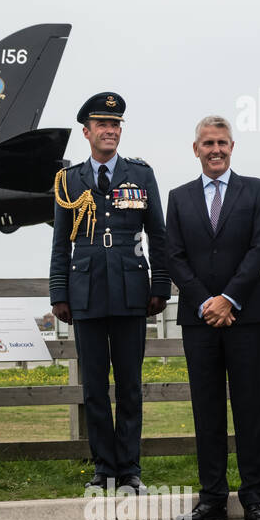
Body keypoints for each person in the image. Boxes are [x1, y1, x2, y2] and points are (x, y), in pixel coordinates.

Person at [49, 92, 169, 494]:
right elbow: (60, 242)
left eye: (115, 124)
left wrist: (160, 285)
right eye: (102, 124)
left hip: (132, 290)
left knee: (131, 385)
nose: (110, 130)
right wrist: (58, 293)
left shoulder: (141, 174)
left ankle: (130, 469)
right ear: (86, 132)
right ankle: (104, 468)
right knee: (95, 387)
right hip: (85, 293)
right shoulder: (68, 180)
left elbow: (158, 234)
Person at [166, 116, 260, 520]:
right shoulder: (179, 197)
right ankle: (212, 496)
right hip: (199, 321)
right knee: (206, 410)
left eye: (223, 143)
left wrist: (229, 299)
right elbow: (173, 255)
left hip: (245, 318)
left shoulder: (257, 190)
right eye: (208, 143)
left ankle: (253, 497)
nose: (216, 149)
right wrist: (205, 303)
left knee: (250, 408)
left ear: (233, 147)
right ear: (196, 149)